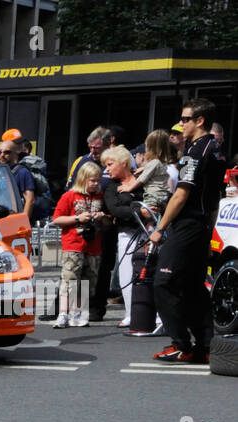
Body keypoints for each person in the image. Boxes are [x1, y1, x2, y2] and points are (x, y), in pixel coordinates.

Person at [150, 98, 226, 363]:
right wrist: (209, 231)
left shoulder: (196, 152)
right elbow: (215, 197)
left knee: (164, 281)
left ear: (199, 121)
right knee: (193, 285)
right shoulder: (216, 149)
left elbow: (181, 195)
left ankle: (181, 343)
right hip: (202, 225)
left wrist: (160, 228)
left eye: (185, 119)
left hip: (188, 225)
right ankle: (205, 345)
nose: (181, 124)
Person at [50, 162, 109, 328]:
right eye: (92, 180)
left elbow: (108, 221)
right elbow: (57, 219)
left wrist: (101, 216)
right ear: (83, 179)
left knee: (87, 281)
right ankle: (63, 313)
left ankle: (78, 312)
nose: (96, 183)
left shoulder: (100, 197)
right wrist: (77, 219)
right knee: (69, 279)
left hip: (93, 246)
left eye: (98, 180)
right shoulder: (69, 196)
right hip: (73, 244)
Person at [100, 145, 146, 327]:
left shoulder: (143, 178)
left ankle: (149, 312)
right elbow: (115, 209)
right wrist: (139, 210)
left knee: (146, 274)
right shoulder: (112, 187)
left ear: (124, 163)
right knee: (126, 274)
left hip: (148, 233)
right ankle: (130, 313)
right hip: (126, 234)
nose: (106, 169)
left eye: (110, 164)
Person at [126, 129, 172, 214]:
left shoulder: (153, 163)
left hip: (153, 194)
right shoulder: (162, 162)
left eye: (147, 145)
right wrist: (143, 168)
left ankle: (151, 226)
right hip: (163, 193)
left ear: (151, 148)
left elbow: (142, 178)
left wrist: (129, 188)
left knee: (146, 213)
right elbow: (155, 169)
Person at [0, 138, 35, 219]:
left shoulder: (22, 172)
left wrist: (23, 223)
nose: (2, 155)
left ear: (16, 154)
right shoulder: (0, 172)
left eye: (7, 152)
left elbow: (30, 200)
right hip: (1, 218)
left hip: (15, 220)